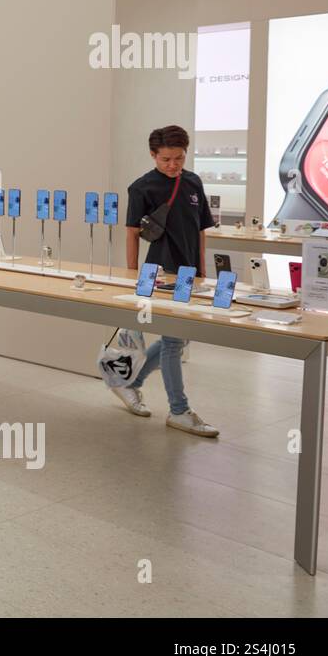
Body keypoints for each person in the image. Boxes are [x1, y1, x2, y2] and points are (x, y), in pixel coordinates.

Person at [121, 124, 219, 437]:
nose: (173, 165)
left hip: (189, 272)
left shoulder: (193, 182)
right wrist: (132, 273)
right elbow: (132, 233)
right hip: (158, 272)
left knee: (177, 338)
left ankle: (131, 383)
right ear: (153, 155)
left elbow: (200, 230)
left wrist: (202, 270)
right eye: (166, 159)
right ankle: (179, 410)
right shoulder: (141, 188)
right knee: (175, 340)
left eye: (178, 158)